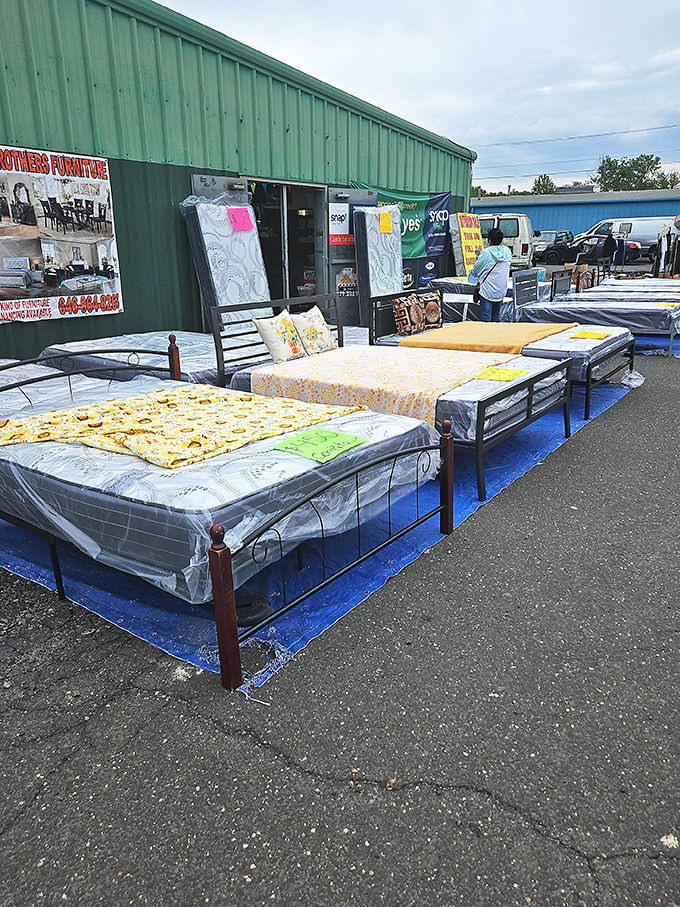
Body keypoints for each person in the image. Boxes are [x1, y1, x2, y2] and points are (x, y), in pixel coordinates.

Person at [467, 227, 512, 322]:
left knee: (486, 319)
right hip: (501, 291)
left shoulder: (486, 253)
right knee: (496, 317)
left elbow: (476, 270)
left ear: (489, 240)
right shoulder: (507, 251)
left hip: (487, 291)